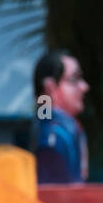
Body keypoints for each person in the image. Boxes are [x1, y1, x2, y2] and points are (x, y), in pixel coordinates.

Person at [32, 50, 90, 184]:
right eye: (74, 79)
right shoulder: (53, 138)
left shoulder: (65, 131)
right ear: (50, 87)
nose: (84, 87)